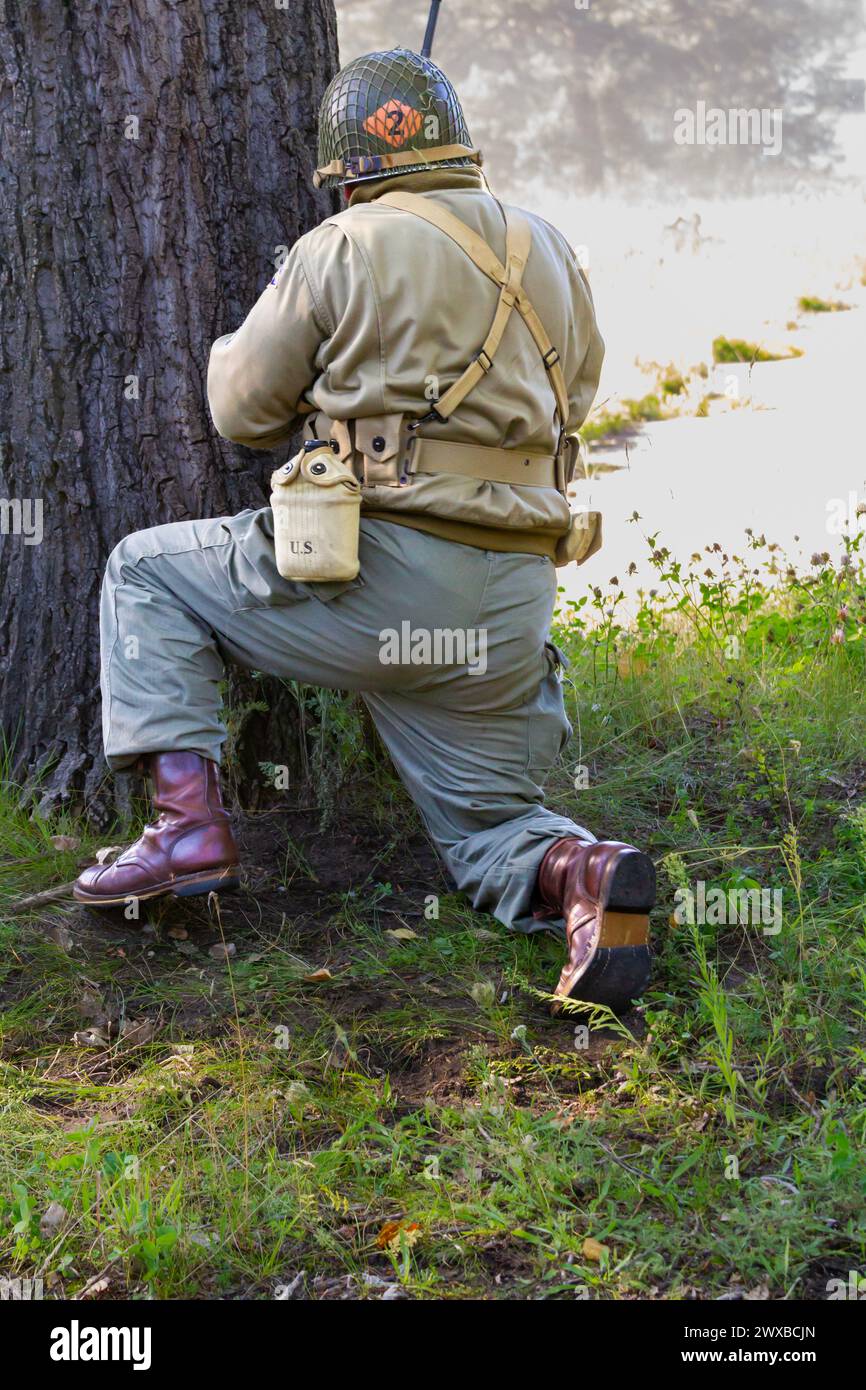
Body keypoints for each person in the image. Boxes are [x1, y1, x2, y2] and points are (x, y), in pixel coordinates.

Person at [74, 48, 655, 1013]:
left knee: (144, 570)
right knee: (488, 830)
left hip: (376, 578)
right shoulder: (548, 247)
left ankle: (185, 835)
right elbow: (579, 393)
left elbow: (241, 406)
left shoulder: (340, 245)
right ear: (460, 148)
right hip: (509, 601)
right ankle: (584, 873)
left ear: (348, 168)